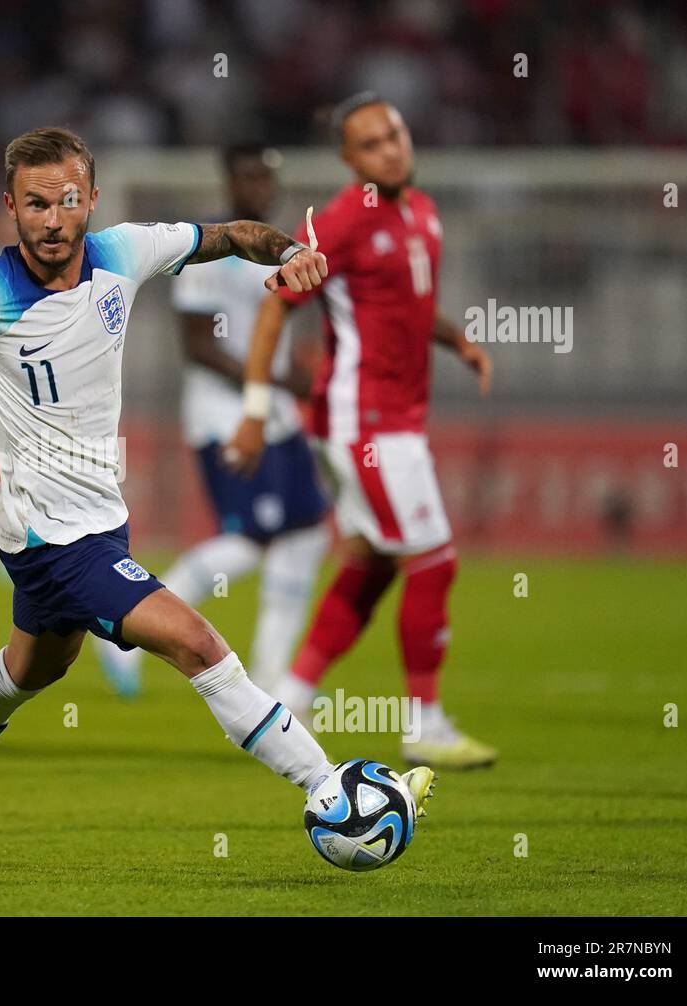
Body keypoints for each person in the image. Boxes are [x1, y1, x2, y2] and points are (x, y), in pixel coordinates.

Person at [0, 126, 434, 863]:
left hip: (96, 525)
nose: (53, 219)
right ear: (11, 207)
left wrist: (289, 252)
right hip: (53, 539)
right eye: (35, 204)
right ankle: (329, 790)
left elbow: (228, 236)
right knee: (197, 644)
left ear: (91, 198)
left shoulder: (125, 251)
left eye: (66, 201)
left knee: (24, 674)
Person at [226, 94, 497, 770]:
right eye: (372, 144)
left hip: (395, 417)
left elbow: (408, 306)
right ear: (350, 161)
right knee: (434, 560)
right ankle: (426, 725)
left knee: (374, 563)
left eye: (395, 134)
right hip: (362, 422)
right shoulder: (342, 220)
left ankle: (289, 694)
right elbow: (273, 315)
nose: (391, 149)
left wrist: (458, 339)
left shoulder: (422, 212)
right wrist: (256, 409)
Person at [94, 144, 330, 700]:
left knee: (310, 531)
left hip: (274, 414)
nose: (258, 186)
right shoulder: (210, 257)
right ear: (229, 181)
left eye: (265, 175)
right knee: (250, 539)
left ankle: (277, 683)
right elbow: (199, 348)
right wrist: (272, 380)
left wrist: (289, 377)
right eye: (246, 176)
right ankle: (124, 617)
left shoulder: (282, 251)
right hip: (225, 418)